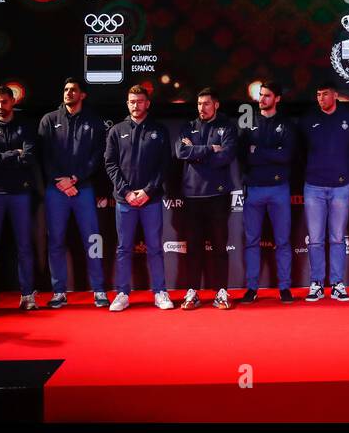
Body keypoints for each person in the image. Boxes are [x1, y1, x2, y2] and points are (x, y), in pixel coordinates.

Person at [37, 77, 109, 309]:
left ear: (83, 95)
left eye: (73, 90)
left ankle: (98, 290)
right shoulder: (49, 120)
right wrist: (60, 181)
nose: (68, 93)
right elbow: (44, 155)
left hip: (84, 188)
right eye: (65, 89)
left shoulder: (94, 121)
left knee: (92, 240)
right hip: (56, 189)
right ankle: (59, 292)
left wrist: (76, 178)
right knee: (56, 241)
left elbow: (97, 156)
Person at [104, 85, 173, 312]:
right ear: (127, 104)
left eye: (140, 101)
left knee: (154, 247)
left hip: (150, 200)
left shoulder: (159, 130)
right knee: (124, 248)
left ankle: (160, 292)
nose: (136, 105)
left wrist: (148, 191)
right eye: (132, 101)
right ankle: (122, 293)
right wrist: (126, 192)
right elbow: (110, 164)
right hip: (125, 201)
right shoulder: (116, 131)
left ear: (147, 103)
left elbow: (164, 165)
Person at [0, 86, 38, 312]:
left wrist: (13, 156)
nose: (0, 107)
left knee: (24, 246)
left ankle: (27, 295)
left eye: (4, 101)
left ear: (12, 101)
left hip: (20, 193)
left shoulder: (25, 126)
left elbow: (30, 157)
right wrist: (15, 154)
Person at [175, 88, 237, 310]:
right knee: (193, 248)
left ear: (216, 105)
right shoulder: (188, 127)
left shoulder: (227, 127)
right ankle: (193, 292)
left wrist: (196, 153)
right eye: (199, 104)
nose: (202, 108)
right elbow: (181, 153)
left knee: (220, 246)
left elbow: (226, 156)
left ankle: (221, 291)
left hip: (218, 196)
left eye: (206, 104)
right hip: (192, 196)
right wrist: (210, 149)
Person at [301, 83, 349, 302]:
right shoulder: (308, 120)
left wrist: (347, 172)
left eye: (325, 94)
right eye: (318, 94)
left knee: (337, 238)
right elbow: (301, 151)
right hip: (314, 186)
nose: (321, 98)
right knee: (316, 239)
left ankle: (337, 283)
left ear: (335, 95)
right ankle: (316, 282)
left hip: (341, 186)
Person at [239, 81, 296, 304]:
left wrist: (259, 152)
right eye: (260, 95)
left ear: (277, 98)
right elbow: (243, 155)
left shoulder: (287, 125)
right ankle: (252, 288)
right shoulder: (248, 122)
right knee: (251, 241)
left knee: (282, 241)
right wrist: (272, 153)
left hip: (279, 188)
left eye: (267, 95)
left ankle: (285, 287)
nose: (262, 99)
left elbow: (287, 156)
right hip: (253, 189)